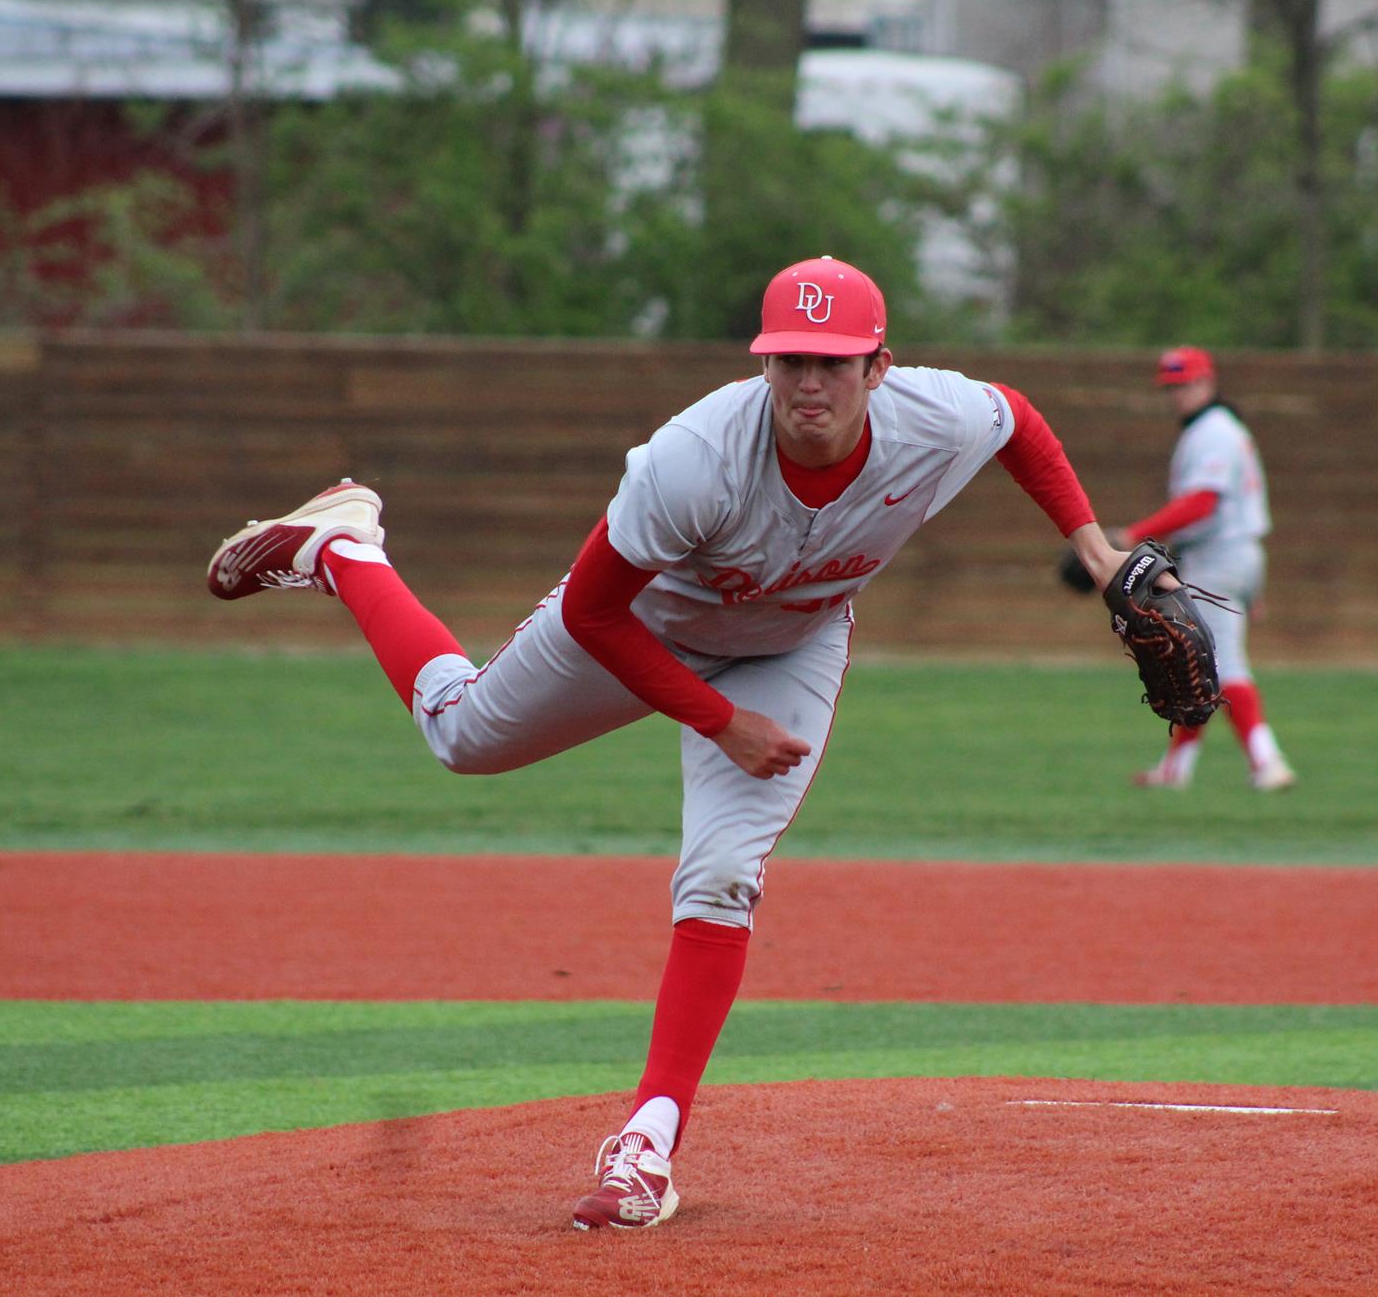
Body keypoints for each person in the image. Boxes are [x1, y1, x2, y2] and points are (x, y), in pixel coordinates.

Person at [206, 256, 1137, 1231]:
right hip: (639, 630)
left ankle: (644, 1146)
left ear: (878, 367)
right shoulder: (691, 458)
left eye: (832, 361)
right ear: (762, 365)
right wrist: (717, 719)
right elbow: (594, 610)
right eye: (788, 361)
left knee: (722, 877)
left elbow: (1017, 420)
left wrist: (1090, 543)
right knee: (461, 737)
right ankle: (345, 547)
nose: (808, 382)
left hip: (789, 643)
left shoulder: (933, 418)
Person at [1115, 345, 1295, 792]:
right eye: (1171, 386)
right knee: (1198, 664)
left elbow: (1202, 501)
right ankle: (1176, 769)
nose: (1178, 394)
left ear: (1208, 382)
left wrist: (1131, 535)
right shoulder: (1218, 429)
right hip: (1236, 555)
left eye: (1186, 384)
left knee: (1223, 665)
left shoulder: (1213, 432)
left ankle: (1266, 762)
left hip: (1219, 555)